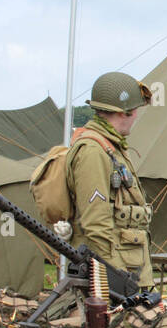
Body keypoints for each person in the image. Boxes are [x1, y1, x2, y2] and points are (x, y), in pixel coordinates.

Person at [65, 71, 155, 288]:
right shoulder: (93, 152)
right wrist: (118, 279)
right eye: (135, 111)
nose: (136, 117)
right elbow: (96, 224)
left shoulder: (112, 148)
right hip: (114, 276)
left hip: (129, 269)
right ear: (125, 112)